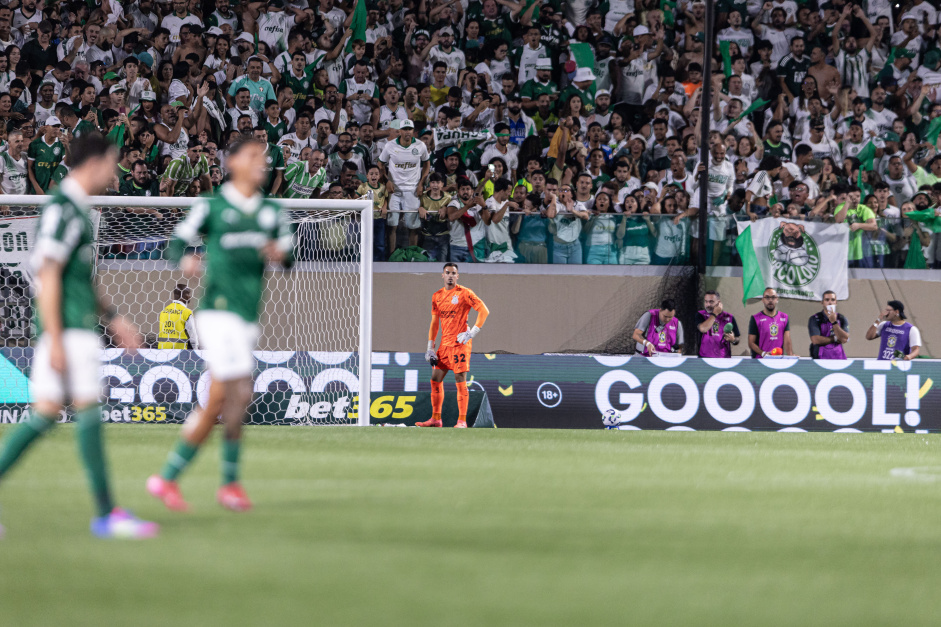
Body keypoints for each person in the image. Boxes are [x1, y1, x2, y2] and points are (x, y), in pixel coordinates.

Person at [0, 133, 158, 539]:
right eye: (113, 162)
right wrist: (53, 337)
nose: (115, 171)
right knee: (88, 410)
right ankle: (107, 514)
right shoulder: (64, 209)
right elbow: (47, 273)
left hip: (73, 325)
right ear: (96, 162)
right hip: (68, 330)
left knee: (46, 414)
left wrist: (114, 318)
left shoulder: (74, 210)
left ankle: (107, 513)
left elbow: (73, 278)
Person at [147, 138, 294, 512]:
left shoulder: (272, 211)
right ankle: (185, 479)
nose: (262, 163)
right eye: (253, 156)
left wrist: (280, 255)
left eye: (264, 158)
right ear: (232, 161)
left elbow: (289, 256)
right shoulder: (211, 205)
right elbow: (176, 242)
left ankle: (197, 481)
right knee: (227, 394)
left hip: (246, 315)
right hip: (216, 311)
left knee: (237, 397)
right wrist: (185, 261)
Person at [420, 262, 490, 428]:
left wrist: (471, 333)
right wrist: (430, 347)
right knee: (435, 380)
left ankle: (462, 421)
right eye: (447, 272)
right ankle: (436, 419)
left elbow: (484, 311)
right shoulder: (436, 296)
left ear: (457, 276)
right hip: (444, 344)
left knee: (460, 380)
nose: (450, 275)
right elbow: (434, 323)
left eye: (453, 273)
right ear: (442, 275)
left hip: (460, 343)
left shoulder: (465, 293)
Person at [378, 119, 430, 252]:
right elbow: (380, 164)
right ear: (400, 131)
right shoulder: (390, 146)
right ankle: (392, 256)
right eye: (405, 129)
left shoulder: (420, 146)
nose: (407, 132)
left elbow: (427, 164)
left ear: (413, 131)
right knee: (392, 225)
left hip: (412, 189)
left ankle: (412, 254)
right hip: (394, 190)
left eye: (410, 129)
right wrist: (387, 180)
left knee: (413, 226)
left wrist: (421, 183)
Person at [748, 287, 795, 358]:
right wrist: (763, 354)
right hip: (761, 361)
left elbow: (787, 340)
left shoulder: (784, 317)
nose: (770, 300)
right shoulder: (756, 318)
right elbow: (751, 343)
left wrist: (790, 356)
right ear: (763, 300)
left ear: (777, 299)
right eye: (767, 297)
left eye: (773, 297)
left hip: (778, 360)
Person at [697, 290, 740, 357]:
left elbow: (737, 339)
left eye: (711, 302)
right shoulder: (700, 315)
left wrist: (733, 339)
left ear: (718, 302)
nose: (708, 305)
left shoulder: (729, 317)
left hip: (724, 359)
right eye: (706, 301)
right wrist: (715, 314)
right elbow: (703, 329)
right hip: (704, 359)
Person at [808, 290, 849, 359]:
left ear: (836, 302)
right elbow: (816, 340)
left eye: (833, 300)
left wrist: (834, 322)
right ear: (822, 302)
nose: (830, 302)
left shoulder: (841, 318)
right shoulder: (815, 318)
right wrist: (835, 338)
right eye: (827, 300)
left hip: (838, 357)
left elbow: (844, 339)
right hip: (820, 358)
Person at [157, 283, 200, 349]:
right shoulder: (186, 312)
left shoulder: (164, 311)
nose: (190, 296)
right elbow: (192, 335)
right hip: (179, 352)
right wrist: (196, 349)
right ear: (183, 295)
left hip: (162, 351)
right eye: (188, 294)